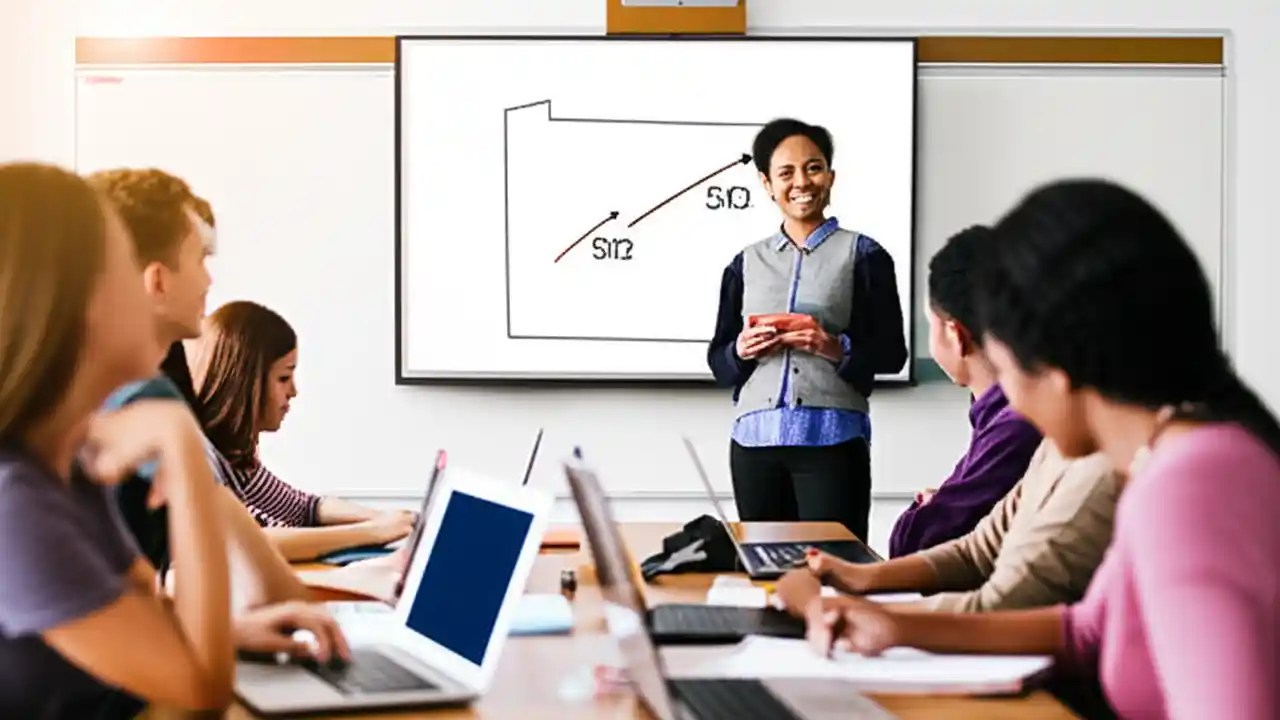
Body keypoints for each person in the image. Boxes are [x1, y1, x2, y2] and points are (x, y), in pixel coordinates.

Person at [796, 180, 1280, 719]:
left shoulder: (1189, 484)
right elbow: (1084, 630)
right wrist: (897, 625)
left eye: (1005, 371)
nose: (1014, 407)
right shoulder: (1170, 455)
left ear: (1058, 366)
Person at [0, 162, 234, 716]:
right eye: (125, 266)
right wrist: (178, 438)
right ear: (73, 303)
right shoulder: (14, 500)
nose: (146, 281)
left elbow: (153, 616)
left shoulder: (68, 466)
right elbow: (202, 693)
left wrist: (237, 632)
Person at [89, 168, 355, 626]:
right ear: (157, 281)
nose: (210, 282)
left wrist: (234, 632)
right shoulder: (118, 414)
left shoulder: (157, 398)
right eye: (201, 259)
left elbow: (272, 587)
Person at [707, 118, 908, 540]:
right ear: (766, 184)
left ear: (831, 176)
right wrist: (742, 350)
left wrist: (834, 347)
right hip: (754, 443)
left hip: (832, 441)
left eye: (813, 168)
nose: (802, 182)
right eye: (786, 173)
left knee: (834, 568)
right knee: (766, 570)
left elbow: (892, 354)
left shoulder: (865, 254)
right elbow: (719, 360)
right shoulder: (745, 263)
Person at [775, 437, 1120, 613]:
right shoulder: (1055, 447)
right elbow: (976, 552)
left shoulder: (1105, 472)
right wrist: (859, 576)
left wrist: (845, 611)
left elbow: (999, 607)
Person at [190, 299, 414, 561]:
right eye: (284, 378)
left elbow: (305, 508)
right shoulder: (197, 455)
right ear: (245, 382)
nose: (293, 391)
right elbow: (246, 542)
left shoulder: (234, 454)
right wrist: (373, 531)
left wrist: (387, 519)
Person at [886, 225, 1042, 557]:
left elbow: (912, 543)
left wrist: (934, 509)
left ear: (956, 336)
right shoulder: (997, 412)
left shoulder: (1016, 423)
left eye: (932, 325)